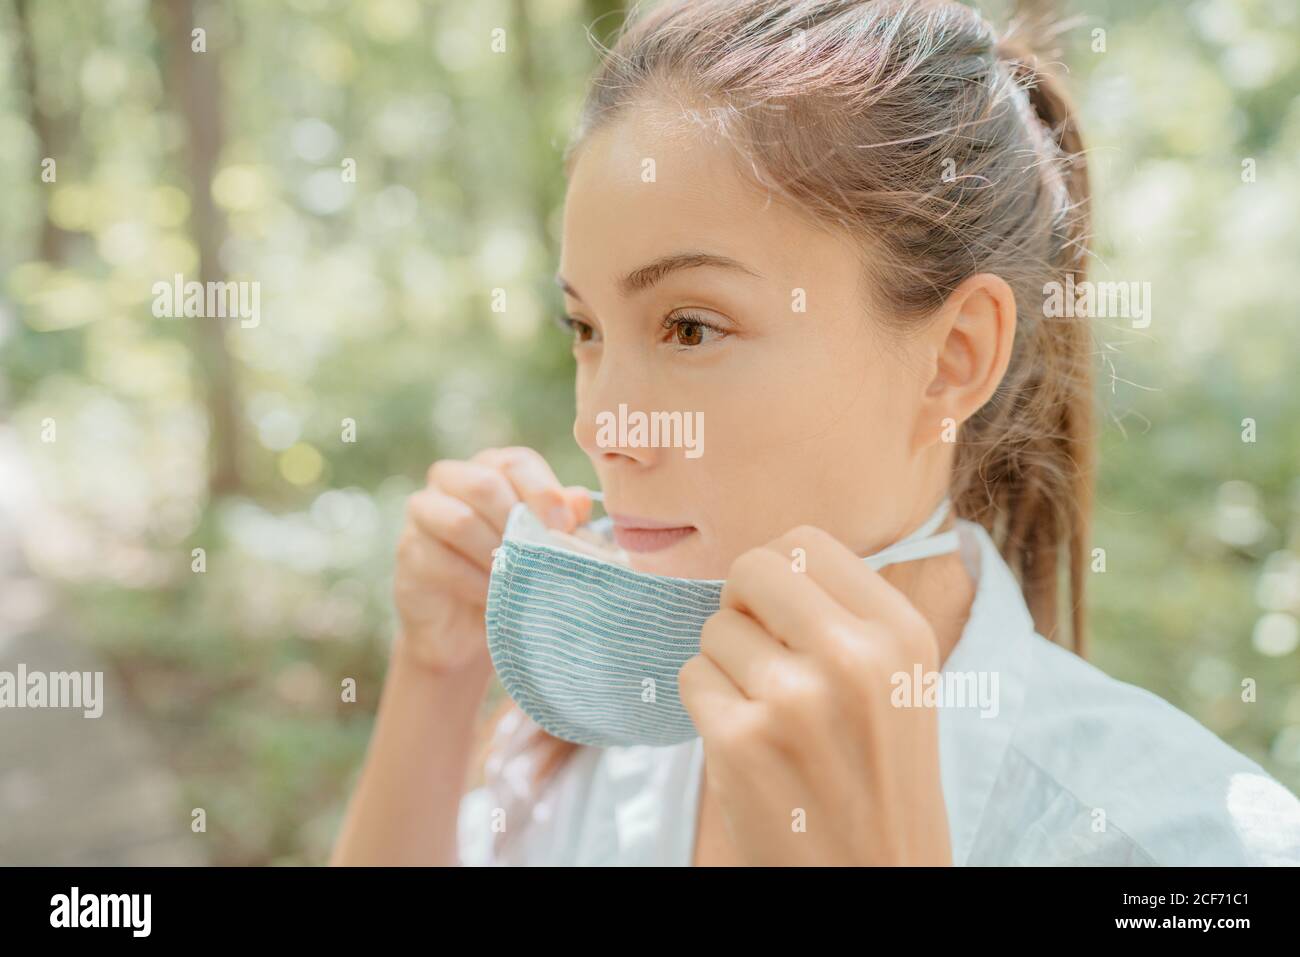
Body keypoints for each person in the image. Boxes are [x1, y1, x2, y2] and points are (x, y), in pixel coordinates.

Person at [330, 0, 1300, 866]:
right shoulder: (585, 743)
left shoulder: (1186, 843)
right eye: (585, 329)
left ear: (954, 357)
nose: (600, 427)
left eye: (690, 327)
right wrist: (437, 673)